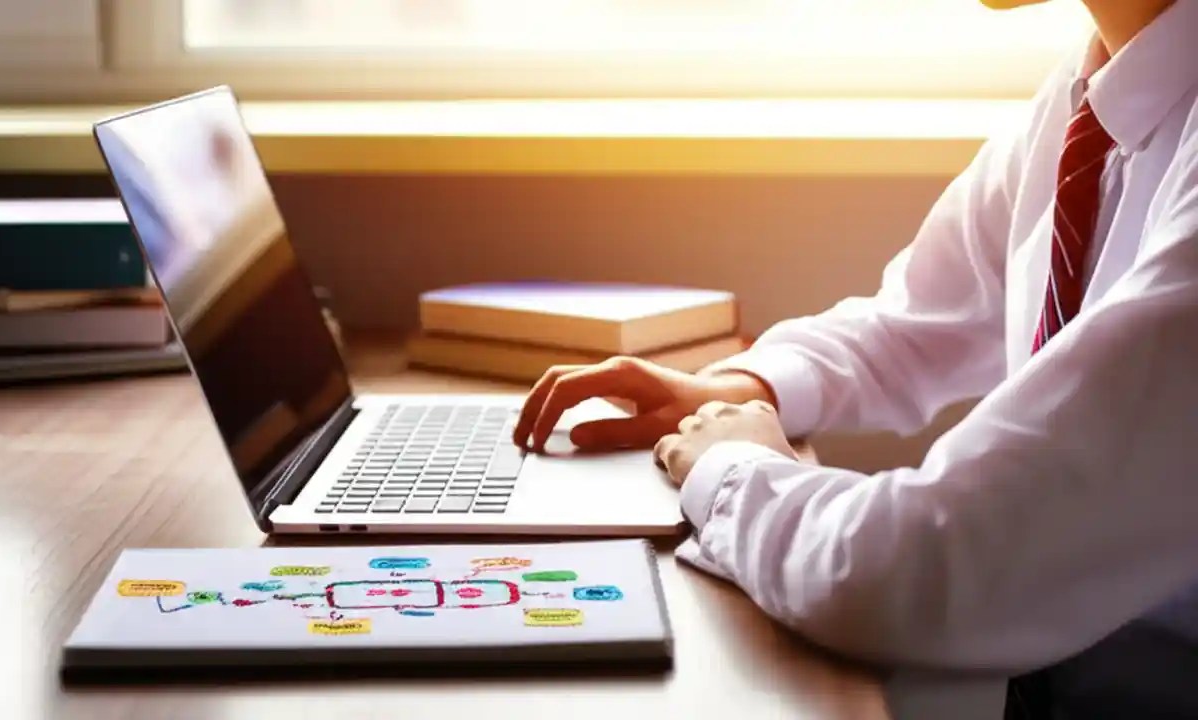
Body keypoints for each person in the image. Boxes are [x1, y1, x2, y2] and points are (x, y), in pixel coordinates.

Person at [512, 0, 1198, 717]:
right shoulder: (1104, 83)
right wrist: (742, 389)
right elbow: (921, 318)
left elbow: (923, 570)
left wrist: (732, 468)